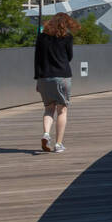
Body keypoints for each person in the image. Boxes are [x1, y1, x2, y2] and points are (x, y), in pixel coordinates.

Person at [35, 12, 79, 153]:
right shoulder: (67, 37)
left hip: (44, 78)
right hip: (62, 76)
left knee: (48, 108)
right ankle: (58, 144)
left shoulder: (41, 38)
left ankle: (46, 134)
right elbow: (69, 57)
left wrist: (38, 80)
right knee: (62, 110)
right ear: (66, 24)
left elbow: (37, 59)